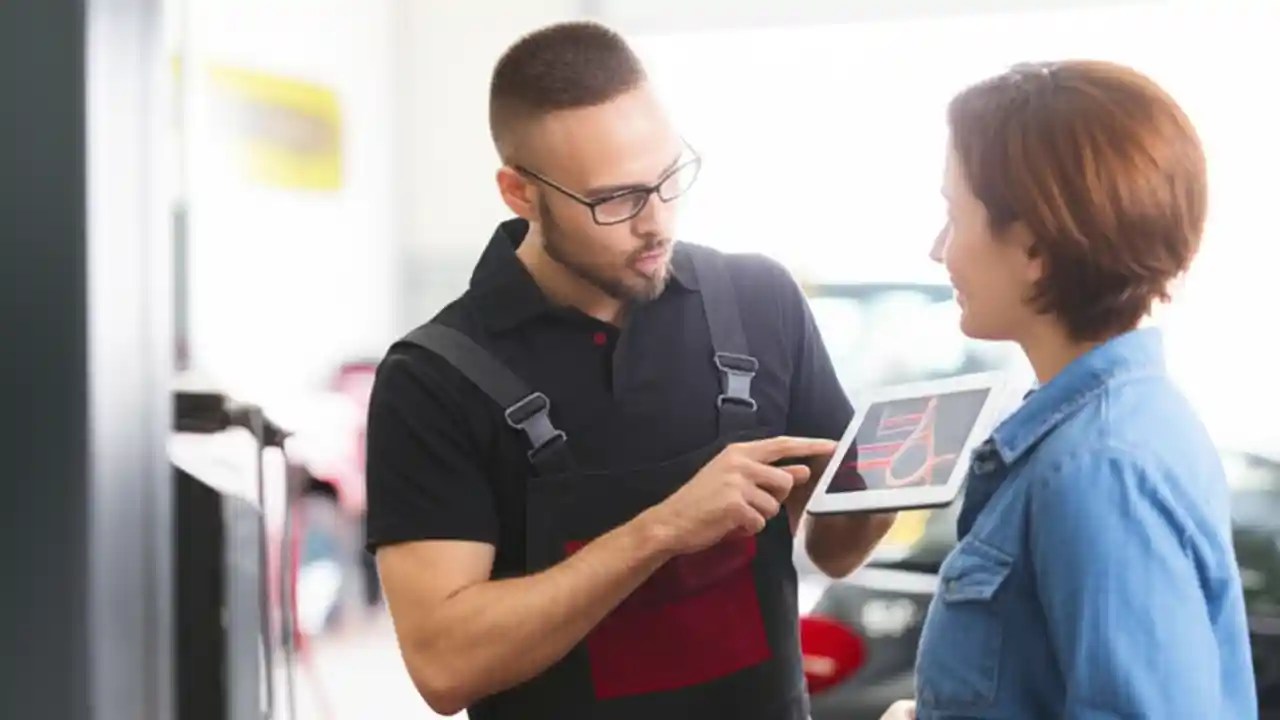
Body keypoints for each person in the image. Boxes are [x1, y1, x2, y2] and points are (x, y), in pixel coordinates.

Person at [365, 21, 895, 720]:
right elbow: (444, 665)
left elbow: (835, 554)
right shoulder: (432, 379)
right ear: (519, 193)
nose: (657, 223)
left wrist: (882, 492)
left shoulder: (759, 300)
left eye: (670, 177)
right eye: (615, 199)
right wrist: (661, 531)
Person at [881, 60, 1257, 720]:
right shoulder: (1118, 423)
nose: (938, 249)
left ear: (1033, 245)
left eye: (953, 214)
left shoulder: (1099, 466)